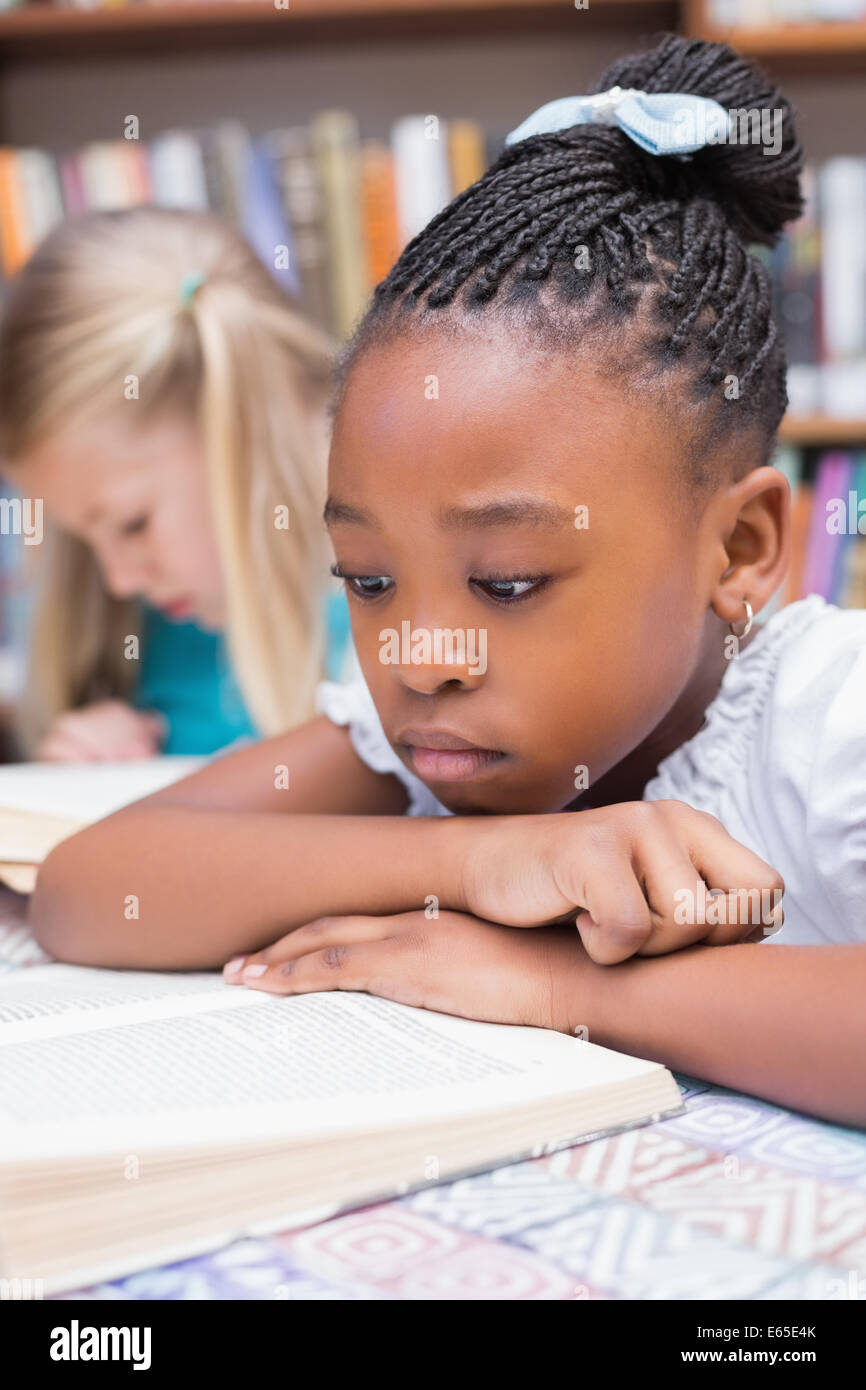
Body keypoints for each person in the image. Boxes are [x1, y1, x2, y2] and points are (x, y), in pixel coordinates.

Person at [29, 37, 866, 1127]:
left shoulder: (824, 721)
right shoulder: (428, 764)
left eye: (506, 583)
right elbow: (91, 890)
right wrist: (484, 858)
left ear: (741, 547)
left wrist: (557, 987)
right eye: (368, 580)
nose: (419, 658)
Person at [0, 206, 351, 760]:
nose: (118, 580)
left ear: (241, 428)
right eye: (87, 541)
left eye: (132, 524)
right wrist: (82, 775)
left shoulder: (397, 631)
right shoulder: (145, 637)